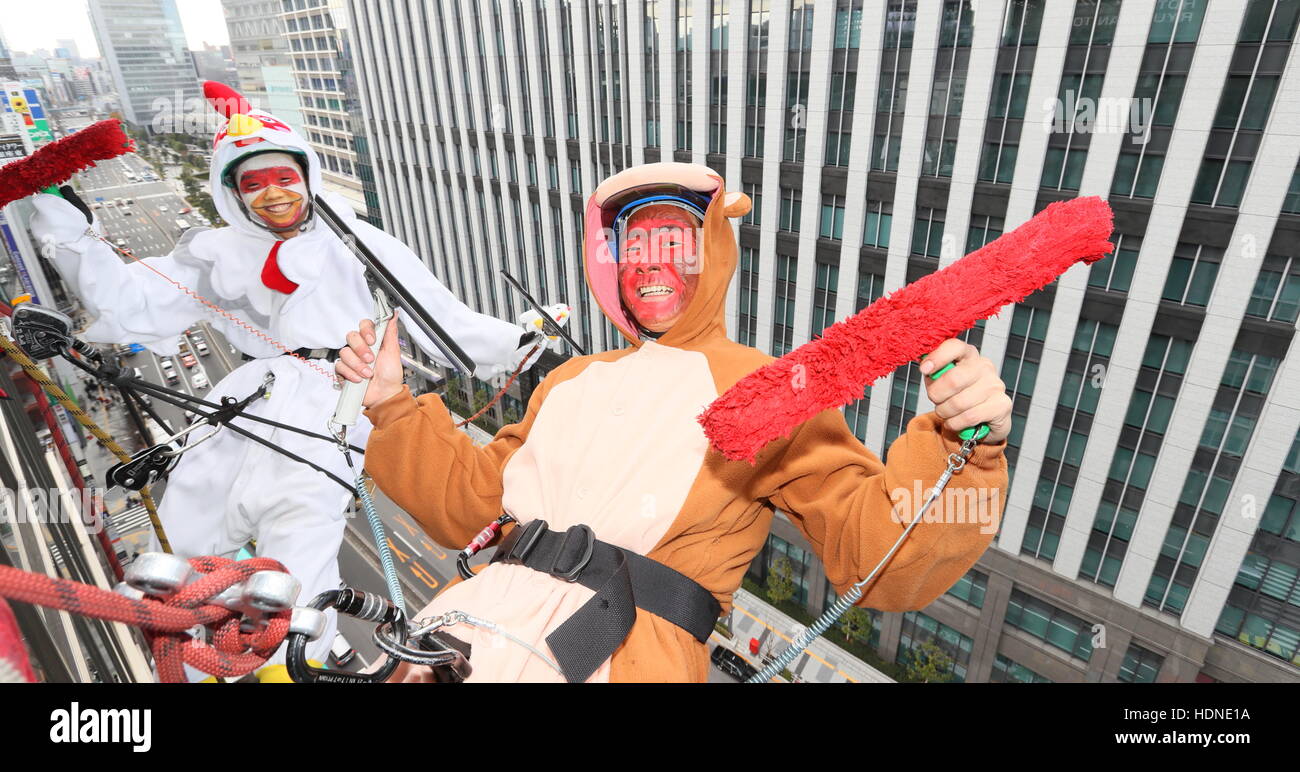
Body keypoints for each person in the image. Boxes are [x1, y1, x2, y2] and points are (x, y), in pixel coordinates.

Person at [338, 162, 1011, 682]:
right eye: (636, 242)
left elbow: (882, 558)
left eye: (676, 241)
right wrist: (391, 405)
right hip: (455, 632)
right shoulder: (570, 380)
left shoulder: (762, 387)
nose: (653, 261)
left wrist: (965, 450)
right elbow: (469, 506)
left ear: (711, 251)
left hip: (621, 654)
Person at [27, 82, 563, 681]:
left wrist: (513, 342)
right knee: (190, 520)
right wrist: (66, 223)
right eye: (251, 185)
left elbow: (435, 311)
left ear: (305, 176)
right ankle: (186, 658)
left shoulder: (357, 242)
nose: (272, 195)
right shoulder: (212, 255)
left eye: (283, 177)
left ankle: (295, 663)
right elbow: (129, 302)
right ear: (231, 194)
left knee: (298, 548)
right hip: (246, 402)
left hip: (338, 398)